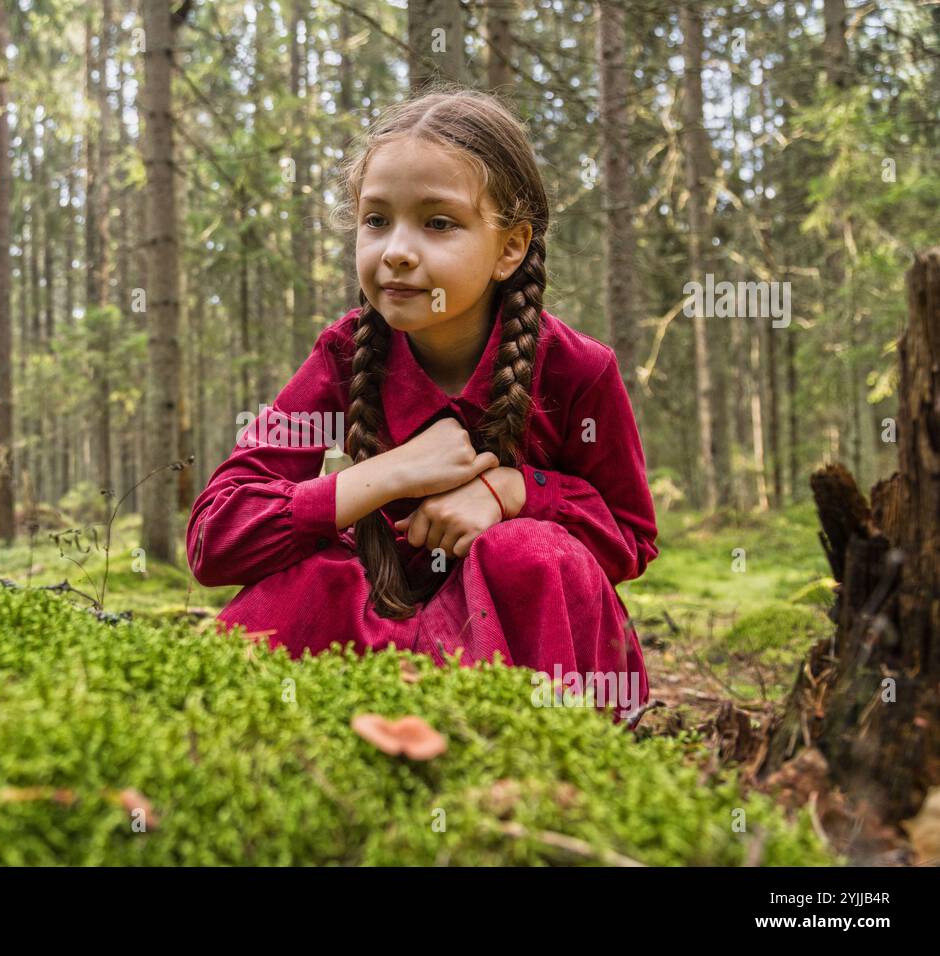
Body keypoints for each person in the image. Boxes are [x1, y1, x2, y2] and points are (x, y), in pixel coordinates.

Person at [186, 87, 658, 723]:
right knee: (316, 575)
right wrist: (385, 474)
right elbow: (216, 538)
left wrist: (515, 492)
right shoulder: (343, 355)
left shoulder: (578, 369)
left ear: (511, 247)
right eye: (376, 220)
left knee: (528, 554)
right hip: (385, 629)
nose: (396, 250)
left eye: (438, 223)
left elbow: (630, 538)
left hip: (525, 654)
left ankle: (547, 760)